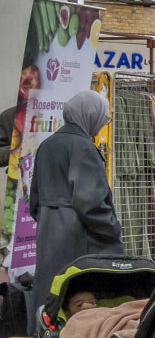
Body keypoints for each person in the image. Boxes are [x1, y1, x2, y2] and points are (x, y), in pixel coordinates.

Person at [28, 90, 122, 319]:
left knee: (51, 291)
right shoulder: (83, 148)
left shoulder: (47, 145)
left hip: (50, 232)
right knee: (82, 295)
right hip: (80, 236)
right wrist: (112, 230)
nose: (101, 123)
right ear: (90, 115)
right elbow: (91, 203)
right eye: (101, 117)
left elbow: (35, 200)